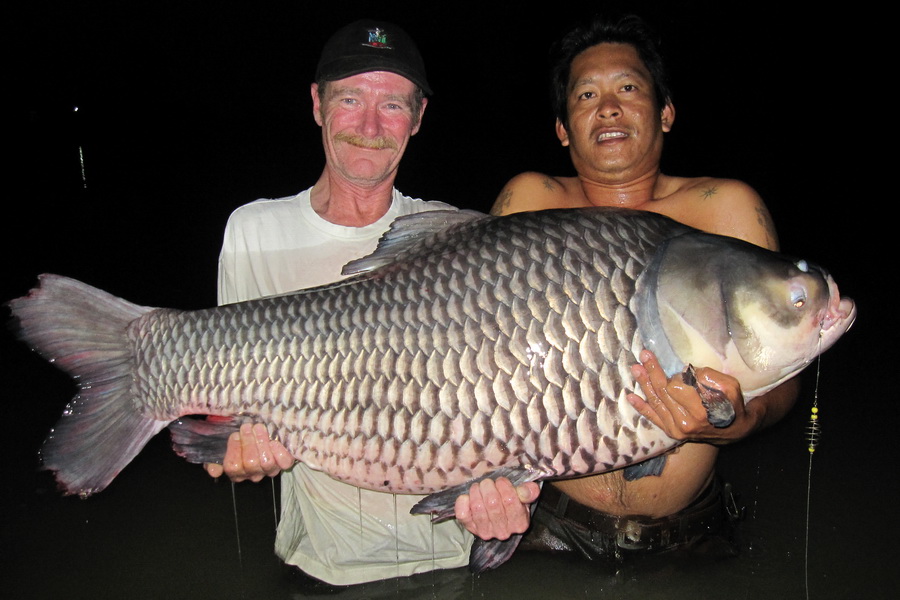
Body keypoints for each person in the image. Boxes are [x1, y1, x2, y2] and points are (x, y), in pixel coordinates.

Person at [205, 20, 537, 587]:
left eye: (392, 105)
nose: (368, 125)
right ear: (316, 103)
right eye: (350, 99)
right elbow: (218, 431)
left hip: (448, 563)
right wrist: (236, 455)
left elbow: (513, 402)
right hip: (321, 568)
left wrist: (513, 491)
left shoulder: (460, 242)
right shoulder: (254, 233)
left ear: (419, 117)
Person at [491, 14, 800, 561]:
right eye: (586, 94)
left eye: (628, 88)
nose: (607, 107)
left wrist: (740, 421)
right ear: (563, 127)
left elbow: (782, 377)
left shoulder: (724, 210)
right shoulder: (531, 203)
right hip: (546, 532)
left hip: (689, 537)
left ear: (666, 112)